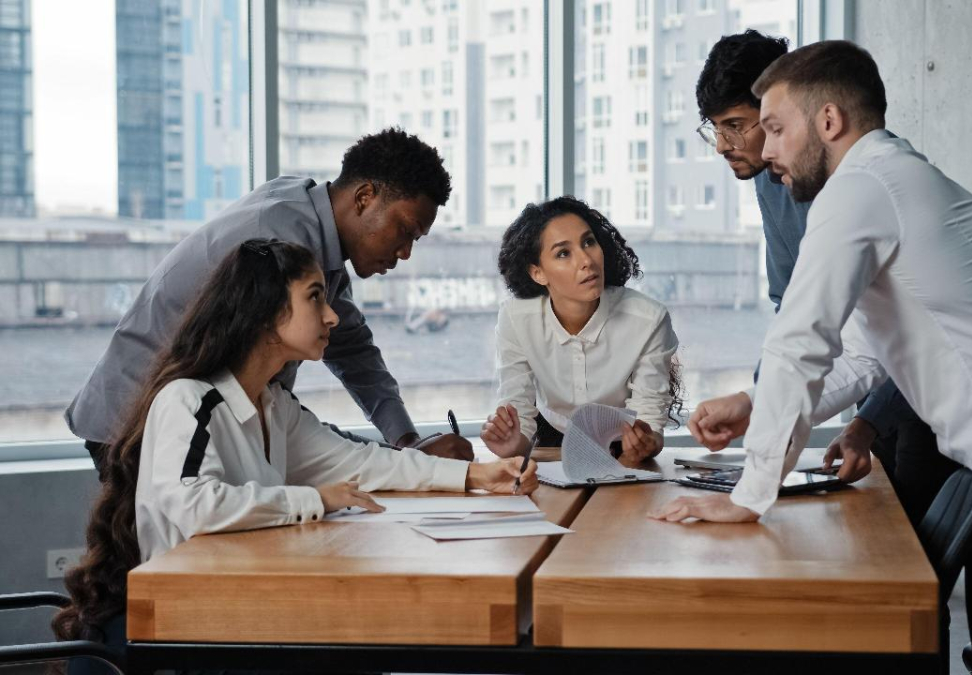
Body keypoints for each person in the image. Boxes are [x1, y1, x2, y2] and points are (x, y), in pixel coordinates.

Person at [654, 40, 972, 674]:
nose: (766, 147)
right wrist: (753, 406)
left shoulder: (861, 188)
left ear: (828, 122)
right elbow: (860, 355)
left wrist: (751, 495)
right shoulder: (885, 182)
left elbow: (800, 340)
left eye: (774, 127)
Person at [52, 239, 537, 671]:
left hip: (243, 609)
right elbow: (194, 505)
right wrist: (312, 499)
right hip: (192, 625)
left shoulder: (272, 402)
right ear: (265, 314)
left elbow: (364, 462)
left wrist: (475, 475)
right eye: (314, 298)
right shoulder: (190, 400)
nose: (331, 316)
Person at [66, 128, 473, 479]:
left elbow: (352, 348)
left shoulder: (309, 218)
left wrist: (406, 441)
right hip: (142, 418)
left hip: (177, 414)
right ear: (365, 197)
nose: (405, 253)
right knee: (178, 559)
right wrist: (407, 458)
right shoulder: (281, 240)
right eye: (404, 230)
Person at [695, 30, 959, 523]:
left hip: (939, 406)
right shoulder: (783, 180)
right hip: (902, 388)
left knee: (910, 567)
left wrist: (866, 423)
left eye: (750, 126)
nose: (724, 147)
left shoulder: (864, 184)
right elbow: (801, 318)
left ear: (818, 116)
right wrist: (755, 405)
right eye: (715, 129)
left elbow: (903, 330)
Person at [480, 196, 682, 467]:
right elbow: (520, 421)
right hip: (550, 436)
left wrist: (645, 444)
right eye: (564, 253)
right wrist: (510, 444)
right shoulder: (515, 318)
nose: (586, 260)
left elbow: (651, 422)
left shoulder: (648, 319)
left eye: (588, 242)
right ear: (538, 272)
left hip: (624, 435)